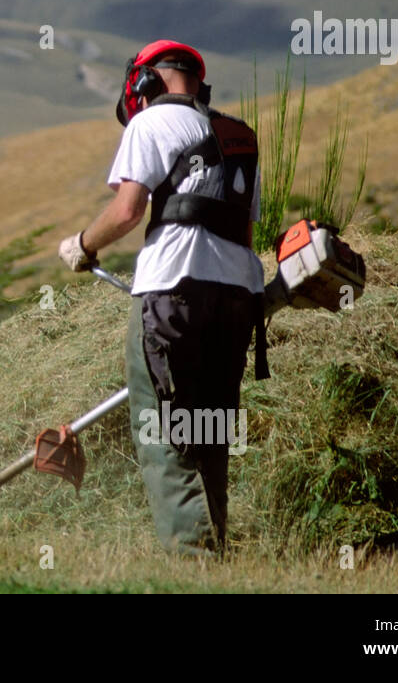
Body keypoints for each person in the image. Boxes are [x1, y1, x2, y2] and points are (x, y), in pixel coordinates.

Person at [57, 39, 267, 555]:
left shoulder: (149, 123)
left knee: (167, 434)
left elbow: (128, 211)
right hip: (238, 298)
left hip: (172, 294)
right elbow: (246, 230)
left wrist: (82, 245)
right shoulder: (240, 136)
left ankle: (192, 566)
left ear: (146, 82)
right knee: (210, 431)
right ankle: (213, 549)